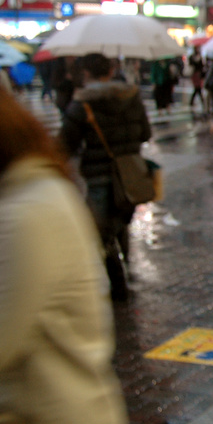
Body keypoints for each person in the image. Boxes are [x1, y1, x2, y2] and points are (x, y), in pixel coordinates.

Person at [0, 80, 132, 424]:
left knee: (105, 234)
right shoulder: (37, 195)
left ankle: (120, 277)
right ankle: (121, 277)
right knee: (112, 235)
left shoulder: (24, 212)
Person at [60, 53, 152, 294]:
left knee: (99, 232)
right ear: (111, 71)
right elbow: (145, 133)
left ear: (87, 74)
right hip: (130, 173)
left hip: (99, 174)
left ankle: (117, 283)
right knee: (119, 222)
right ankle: (124, 270)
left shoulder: (82, 103)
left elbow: (65, 145)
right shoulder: (131, 97)